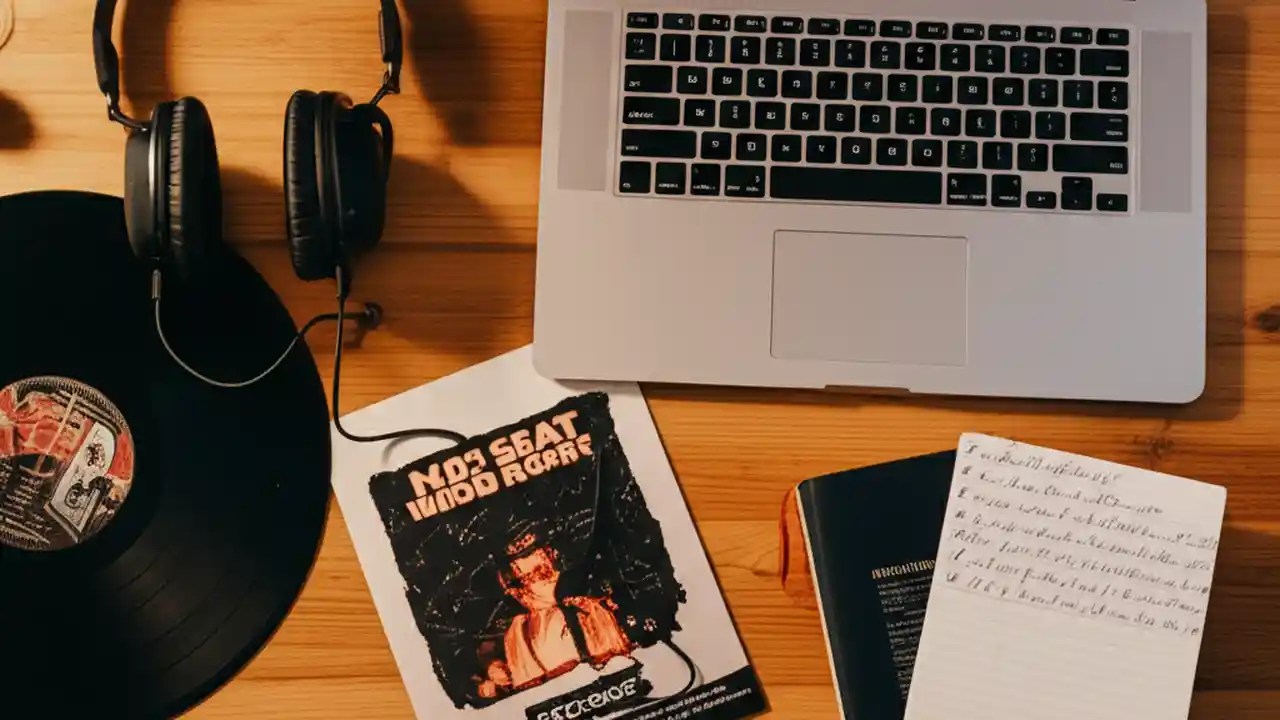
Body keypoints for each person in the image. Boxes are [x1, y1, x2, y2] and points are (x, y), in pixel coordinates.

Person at [486, 525, 633, 693]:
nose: (552, 574)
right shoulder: (517, 631)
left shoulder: (593, 602)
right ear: (516, 590)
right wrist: (491, 667)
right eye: (538, 575)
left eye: (547, 567)